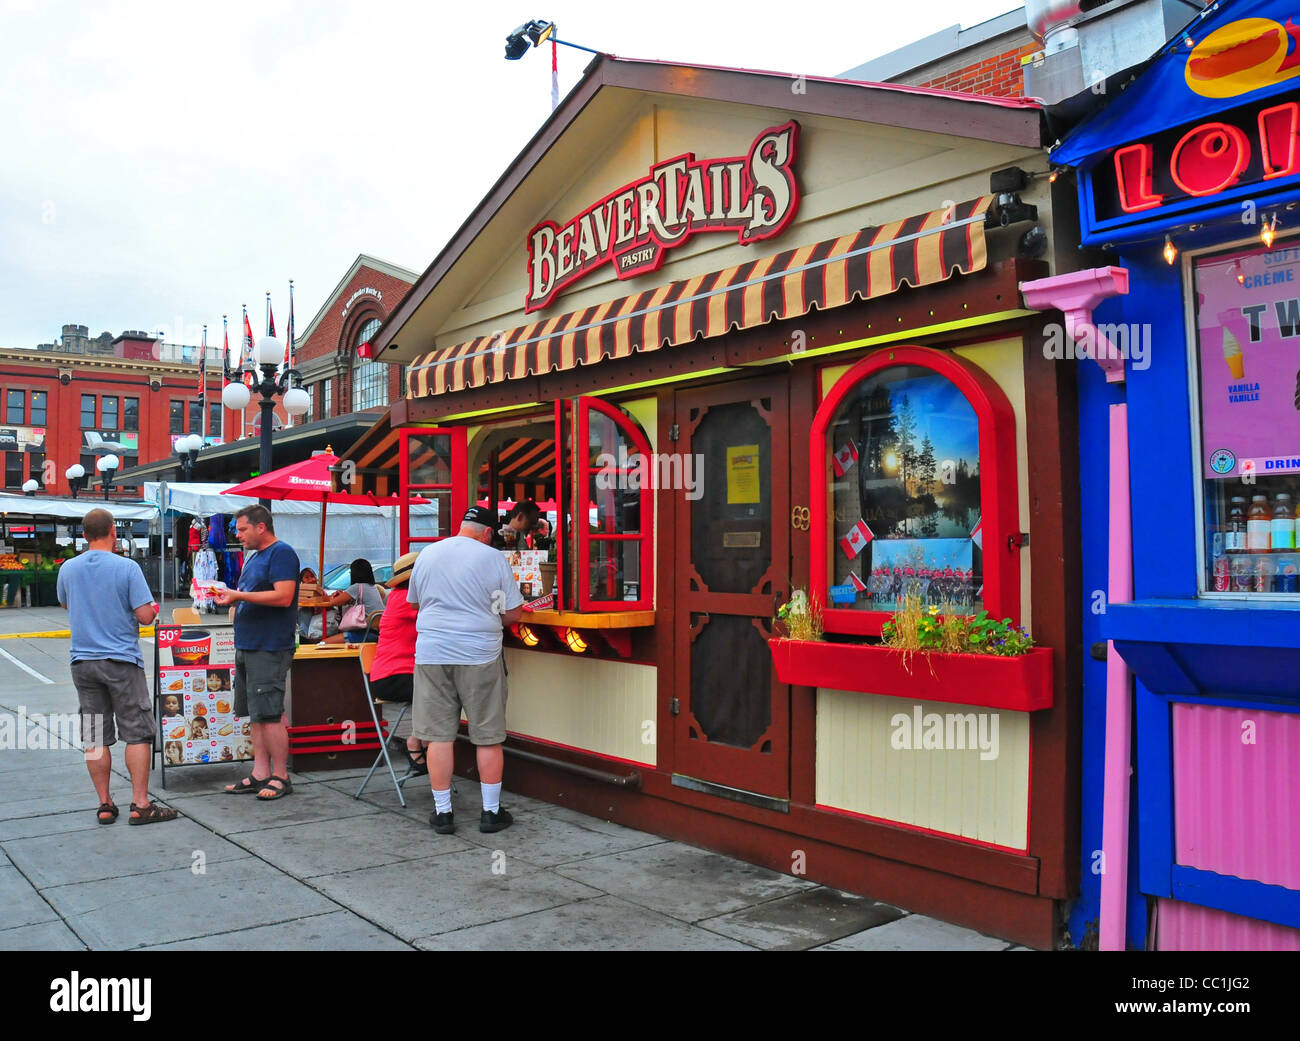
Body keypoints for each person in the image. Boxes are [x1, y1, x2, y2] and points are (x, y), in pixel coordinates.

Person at [57, 507, 178, 825]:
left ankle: (105, 803)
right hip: (122, 660)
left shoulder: (68, 568)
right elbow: (144, 616)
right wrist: (151, 608)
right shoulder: (127, 568)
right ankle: (140, 803)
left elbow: (66, 602)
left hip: (83, 662)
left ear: (83, 535)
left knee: (95, 735)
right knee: (137, 731)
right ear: (113, 532)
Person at [409, 506, 524, 834]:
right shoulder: (492, 558)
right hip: (479, 654)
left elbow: (415, 603)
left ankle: (443, 814)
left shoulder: (428, 554)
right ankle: (490, 813)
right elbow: (513, 612)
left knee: (438, 736)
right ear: (487, 533)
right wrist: (489, 620)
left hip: (432, 653)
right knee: (487, 736)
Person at [215, 505, 300, 800]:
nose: (238, 536)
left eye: (242, 529)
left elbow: (283, 595)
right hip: (248, 644)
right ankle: (260, 772)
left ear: (261, 527)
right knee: (256, 714)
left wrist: (239, 596)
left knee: (271, 713)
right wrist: (230, 598)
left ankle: (281, 776)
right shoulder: (254, 557)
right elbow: (254, 595)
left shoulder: (282, 553)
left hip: (269, 645)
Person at [365, 551, 425, 773]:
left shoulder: (400, 595)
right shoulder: (407, 599)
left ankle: (425, 742)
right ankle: (416, 741)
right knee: (442, 691)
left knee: (442, 689)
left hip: (395, 673)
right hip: (393, 676)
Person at [319, 558, 387, 644]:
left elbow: (332, 602)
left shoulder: (357, 587)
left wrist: (329, 597)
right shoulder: (372, 586)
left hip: (367, 633)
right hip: (378, 632)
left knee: (323, 643)